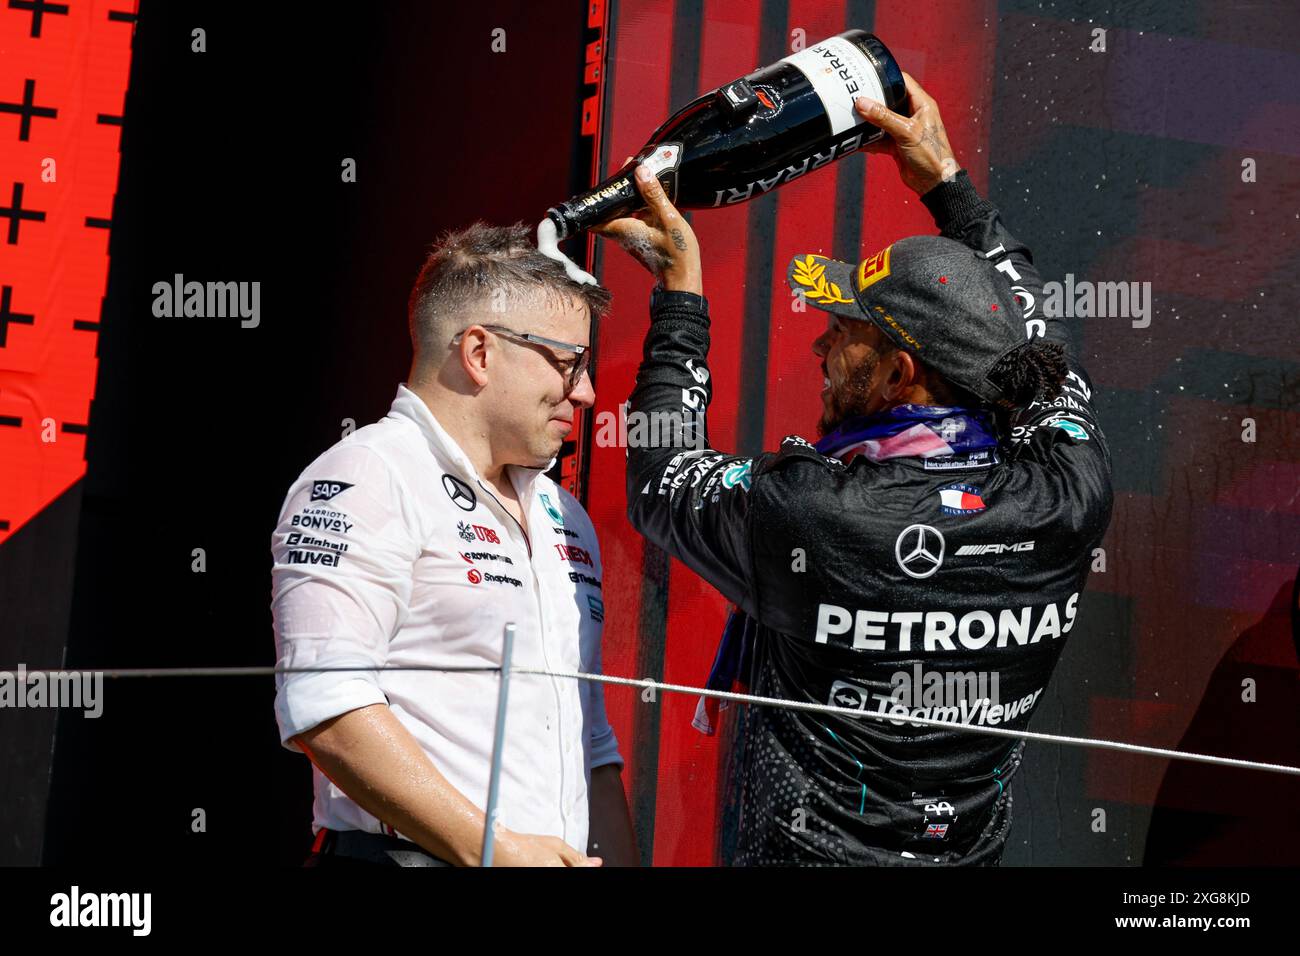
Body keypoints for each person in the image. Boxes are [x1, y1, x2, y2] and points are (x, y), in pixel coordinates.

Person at [593, 73, 1113, 865]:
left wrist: (679, 298)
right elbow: (1035, 357)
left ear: (901, 374)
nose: (819, 350)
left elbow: (662, 478)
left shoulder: (818, 513)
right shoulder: (1067, 490)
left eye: (845, 335)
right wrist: (950, 187)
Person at [270, 222, 637, 867]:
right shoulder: (363, 476)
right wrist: (493, 850)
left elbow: (593, 744)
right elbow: (325, 707)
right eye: (570, 361)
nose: (587, 391)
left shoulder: (564, 515)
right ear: (479, 353)